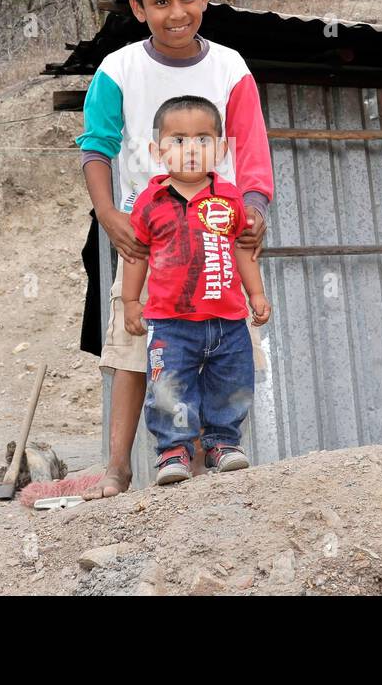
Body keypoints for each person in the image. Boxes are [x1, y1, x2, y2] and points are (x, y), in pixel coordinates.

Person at [75, 0, 274, 499]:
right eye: (160, 1)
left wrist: (254, 209)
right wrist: (108, 213)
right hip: (148, 236)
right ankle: (118, 468)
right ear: (139, 8)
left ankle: (218, 459)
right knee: (133, 349)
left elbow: (253, 149)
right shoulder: (118, 69)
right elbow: (96, 146)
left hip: (218, 233)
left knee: (226, 352)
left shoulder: (230, 67)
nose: (177, 11)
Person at [122, 95, 272, 483]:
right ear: (158, 151)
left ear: (221, 150)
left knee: (232, 381)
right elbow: (136, 255)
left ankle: (224, 443)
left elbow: (243, 247)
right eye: (179, 140)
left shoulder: (230, 197)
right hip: (170, 322)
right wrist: (129, 301)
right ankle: (174, 451)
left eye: (203, 140)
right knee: (169, 385)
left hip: (228, 318)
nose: (191, 150)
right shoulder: (149, 202)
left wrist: (255, 294)